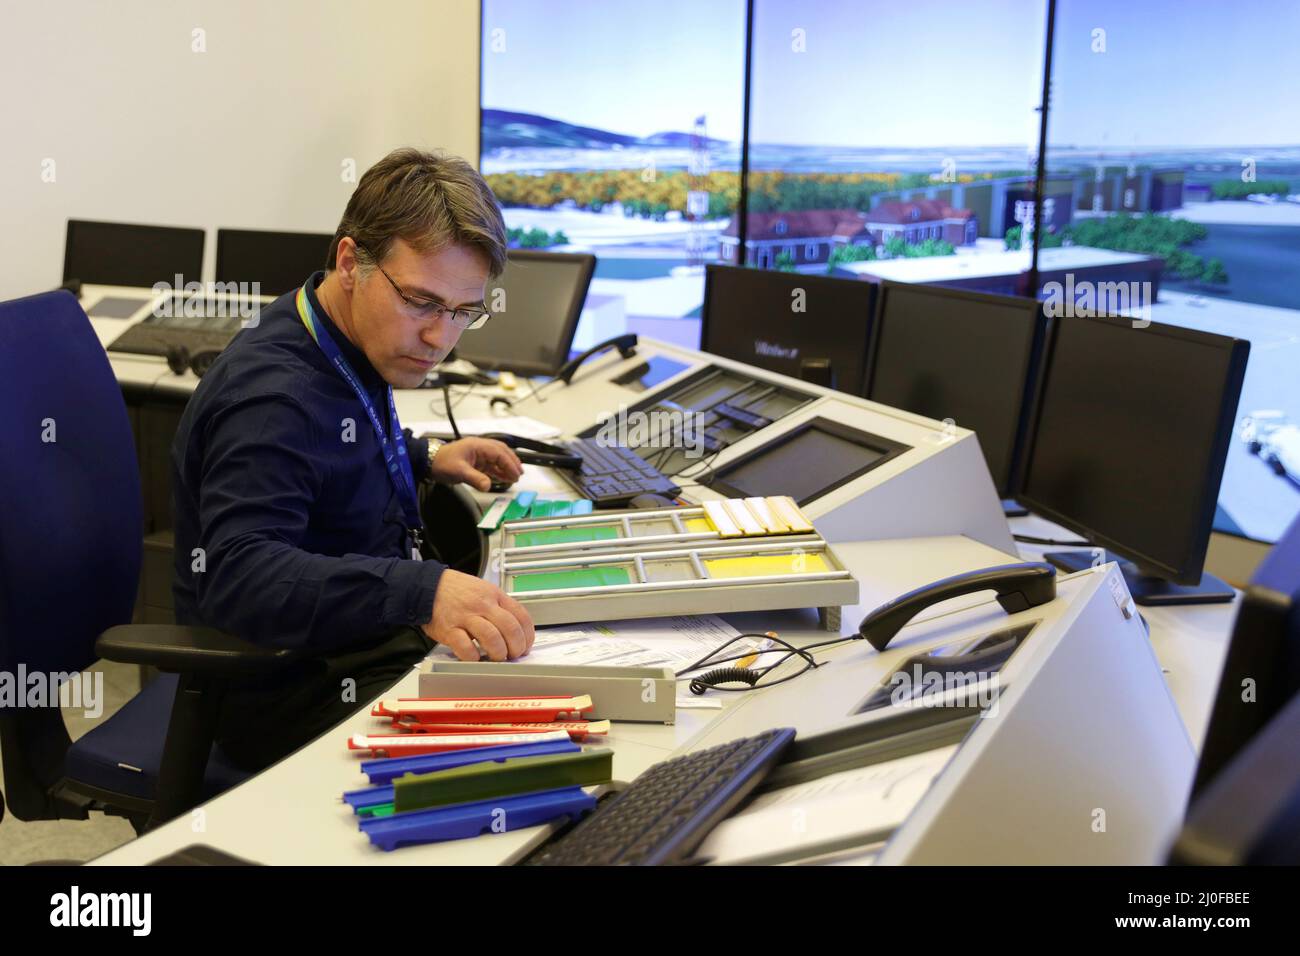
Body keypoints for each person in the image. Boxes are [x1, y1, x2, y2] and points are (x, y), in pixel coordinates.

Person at [170, 148, 534, 768]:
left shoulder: (330, 326)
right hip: (292, 683)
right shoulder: (272, 399)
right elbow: (239, 576)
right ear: (350, 262)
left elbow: (328, 452)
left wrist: (424, 456)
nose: (439, 338)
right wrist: (422, 592)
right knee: (508, 754)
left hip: (356, 641)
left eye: (462, 312)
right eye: (421, 302)